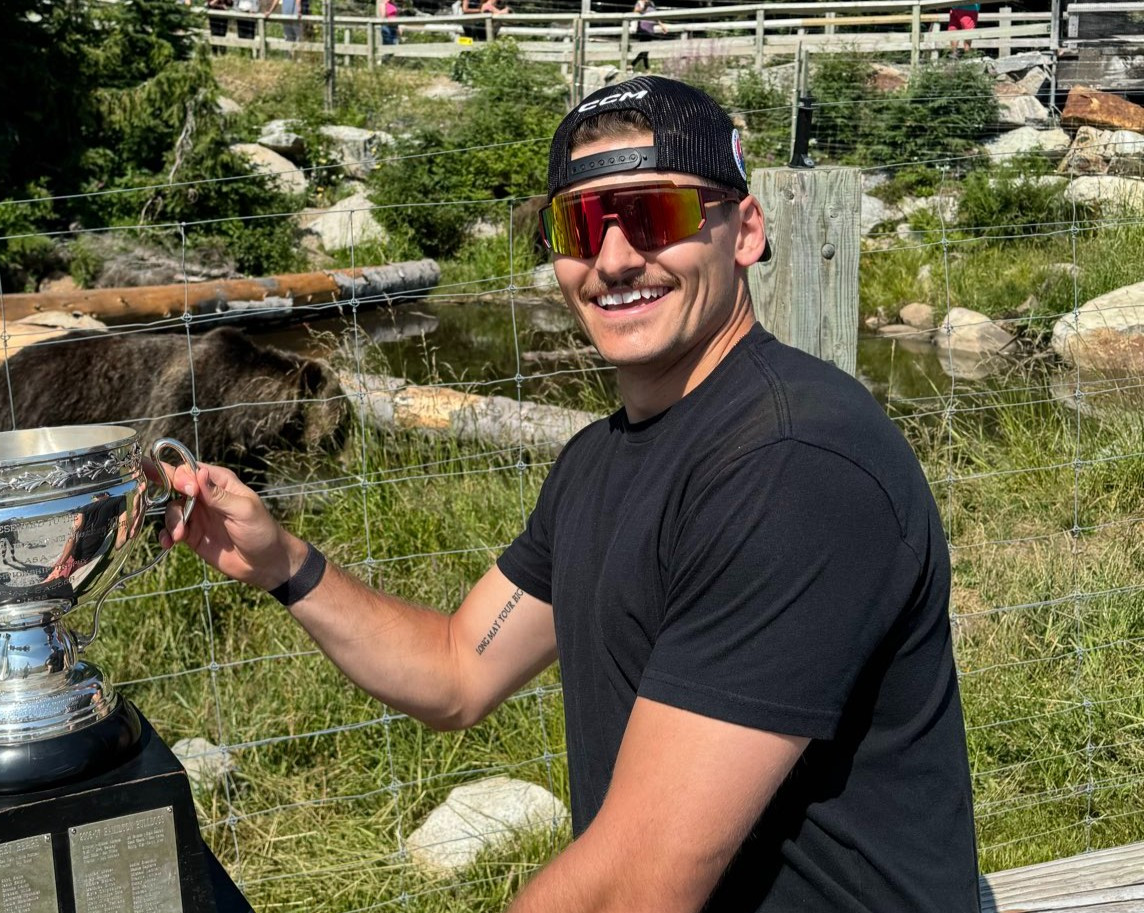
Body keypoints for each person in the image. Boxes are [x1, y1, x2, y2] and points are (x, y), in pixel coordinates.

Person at [161, 76, 979, 913]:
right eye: (580, 225)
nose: (615, 260)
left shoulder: (793, 464)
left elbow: (638, 883)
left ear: (745, 231)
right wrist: (282, 561)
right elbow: (456, 669)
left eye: (655, 216)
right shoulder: (597, 460)